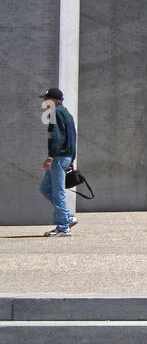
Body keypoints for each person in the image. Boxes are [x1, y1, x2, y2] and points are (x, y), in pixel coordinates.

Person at [39, 88, 77, 237]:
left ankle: (63, 227)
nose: (44, 102)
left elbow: (56, 137)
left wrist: (51, 156)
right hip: (65, 156)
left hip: (58, 157)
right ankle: (67, 216)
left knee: (58, 191)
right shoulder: (66, 113)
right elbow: (72, 137)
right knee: (46, 188)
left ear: (54, 100)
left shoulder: (54, 113)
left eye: (46, 99)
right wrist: (71, 158)